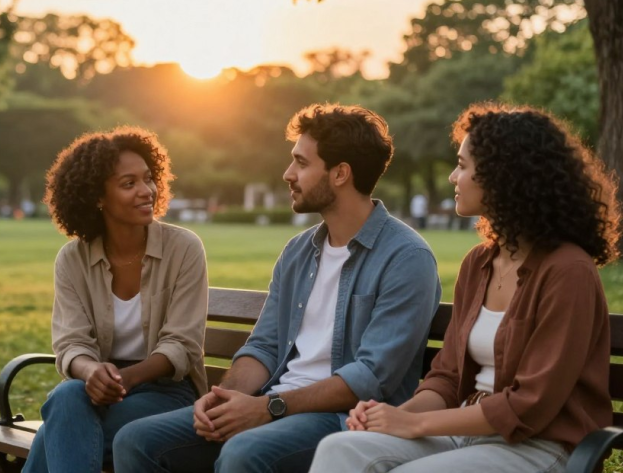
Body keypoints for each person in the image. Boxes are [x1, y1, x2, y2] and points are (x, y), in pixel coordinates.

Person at [114, 104, 441, 473]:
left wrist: (268, 408)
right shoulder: (299, 251)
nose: (288, 174)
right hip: (274, 404)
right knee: (136, 440)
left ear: (340, 174)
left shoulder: (406, 258)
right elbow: (265, 345)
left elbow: (369, 378)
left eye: (301, 163)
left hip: (343, 419)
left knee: (245, 452)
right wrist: (226, 397)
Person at [310, 103, 622, 473]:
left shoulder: (569, 272)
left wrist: (416, 424)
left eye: (463, 165)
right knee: (342, 449)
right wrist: (391, 416)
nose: (452, 177)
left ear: (501, 176)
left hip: (541, 446)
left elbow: (530, 405)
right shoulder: (480, 264)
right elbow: (448, 377)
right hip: (466, 433)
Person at [22, 126, 209, 473]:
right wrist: (92, 372)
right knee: (66, 397)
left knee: (60, 429)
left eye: (148, 179)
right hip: (94, 391)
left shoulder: (184, 249)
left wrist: (126, 380)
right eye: (129, 184)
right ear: (97, 197)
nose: (146, 191)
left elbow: (182, 345)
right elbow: (71, 343)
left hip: (166, 393)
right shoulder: (72, 259)